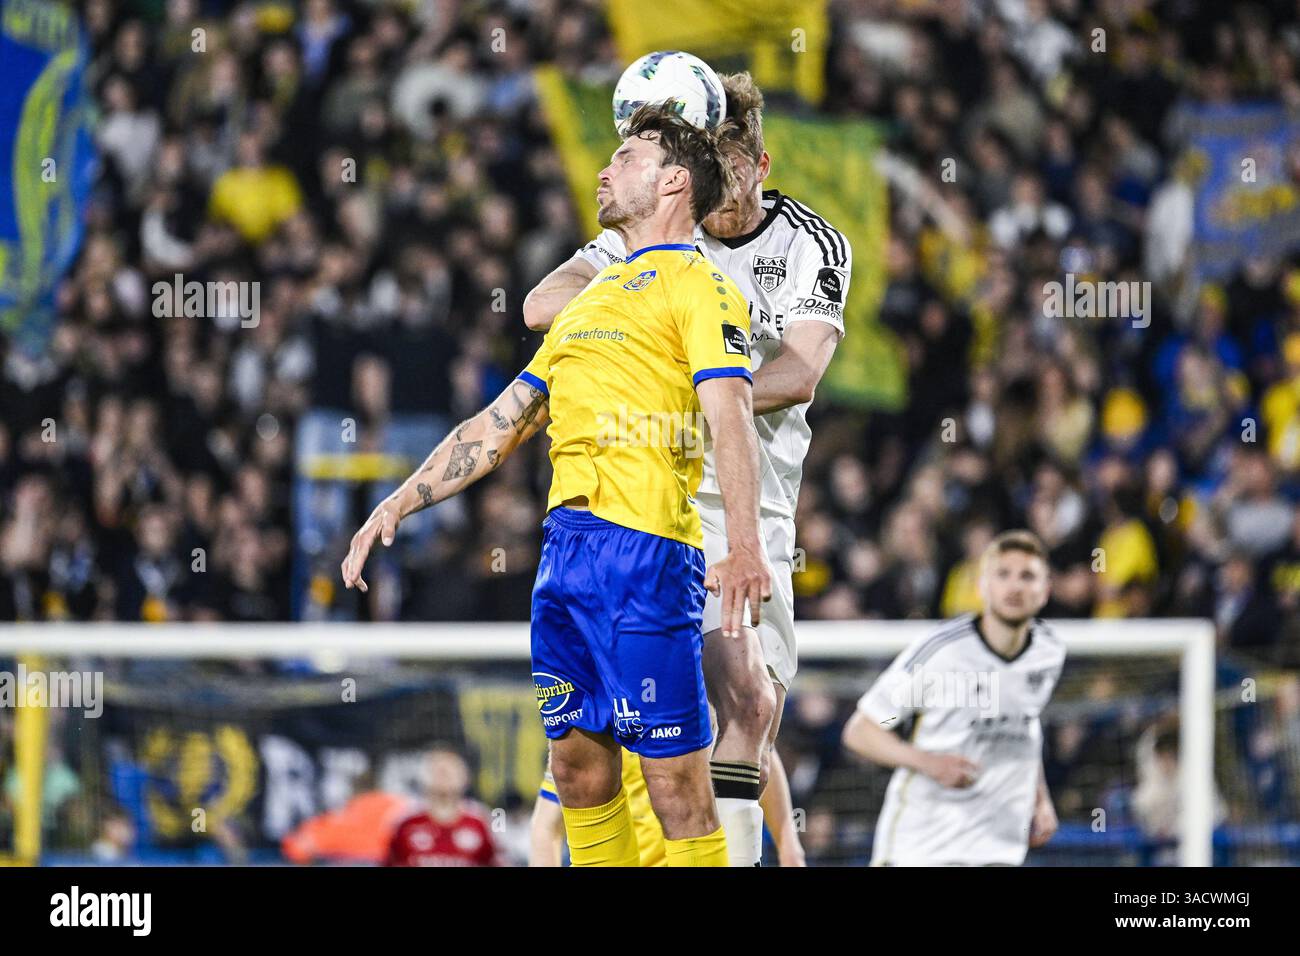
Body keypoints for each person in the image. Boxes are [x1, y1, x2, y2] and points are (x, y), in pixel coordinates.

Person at [342, 104, 770, 867]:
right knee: (575, 772)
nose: (606, 170)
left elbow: (731, 415)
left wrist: (744, 548)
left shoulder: (700, 287)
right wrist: (399, 499)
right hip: (564, 560)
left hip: (647, 554)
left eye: (626, 157)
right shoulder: (588, 301)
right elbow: (502, 423)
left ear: (674, 181)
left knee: (675, 786)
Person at [523, 71, 847, 866]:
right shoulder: (658, 237)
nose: (725, 172)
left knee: (750, 695)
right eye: (712, 154)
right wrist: (631, 308)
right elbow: (540, 306)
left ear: (762, 162)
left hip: (751, 493)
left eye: (737, 155)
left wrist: (705, 388)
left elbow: (802, 372)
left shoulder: (809, 242)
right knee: (631, 726)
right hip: (648, 490)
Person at [841, 530, 1064, 866]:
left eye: (1028, 576)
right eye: (1003, 574)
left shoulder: (1048, 651)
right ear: (982, 586)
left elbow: (1024, 725)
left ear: (1045, 590)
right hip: (925, 845)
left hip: (998, 844)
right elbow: (864, 730)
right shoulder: (942, 654)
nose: (1015, 586)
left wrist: (1040, 797)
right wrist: (929, 763)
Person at [386, 748, 500, 867]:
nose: (444, 776)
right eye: (438, 771)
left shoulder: (482, 820)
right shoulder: (405, 821)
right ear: (424, 778)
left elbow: (497, 860)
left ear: (464, 778)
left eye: (450, 771)